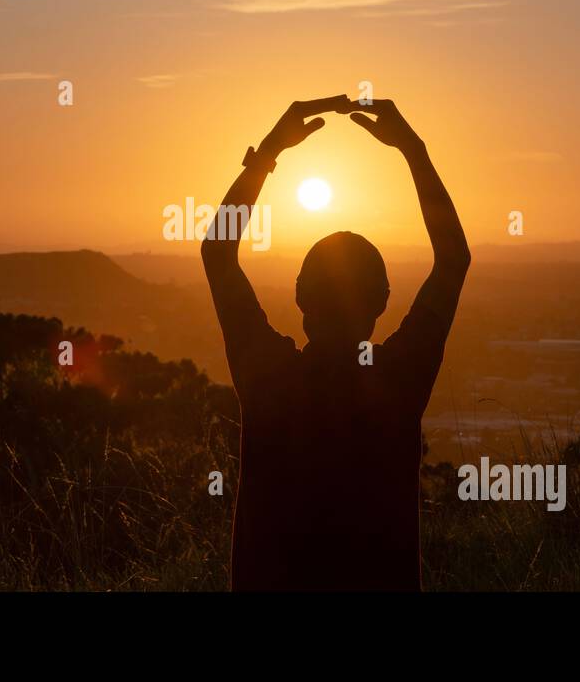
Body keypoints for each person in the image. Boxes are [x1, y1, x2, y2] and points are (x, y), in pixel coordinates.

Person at [201, 95, 470, 591]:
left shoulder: (268, 375)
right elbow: (454, 258)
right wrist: (413, 151)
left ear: (299, 295)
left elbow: (218, 253)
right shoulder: (398, 381)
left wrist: (267, 154)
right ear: (383, 302)